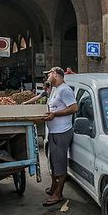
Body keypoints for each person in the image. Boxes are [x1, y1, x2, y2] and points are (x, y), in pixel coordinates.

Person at [42, 66, 78, 207]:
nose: (47, 76)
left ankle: (58, 194)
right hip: (53, 131)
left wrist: (55, 114)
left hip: (62, 132)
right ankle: (53, 188)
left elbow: (74, 107)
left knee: (60, 164)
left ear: (56, 74)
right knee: (53, 162)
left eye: (49, 73)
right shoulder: (55, 89)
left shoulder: (65, 89)